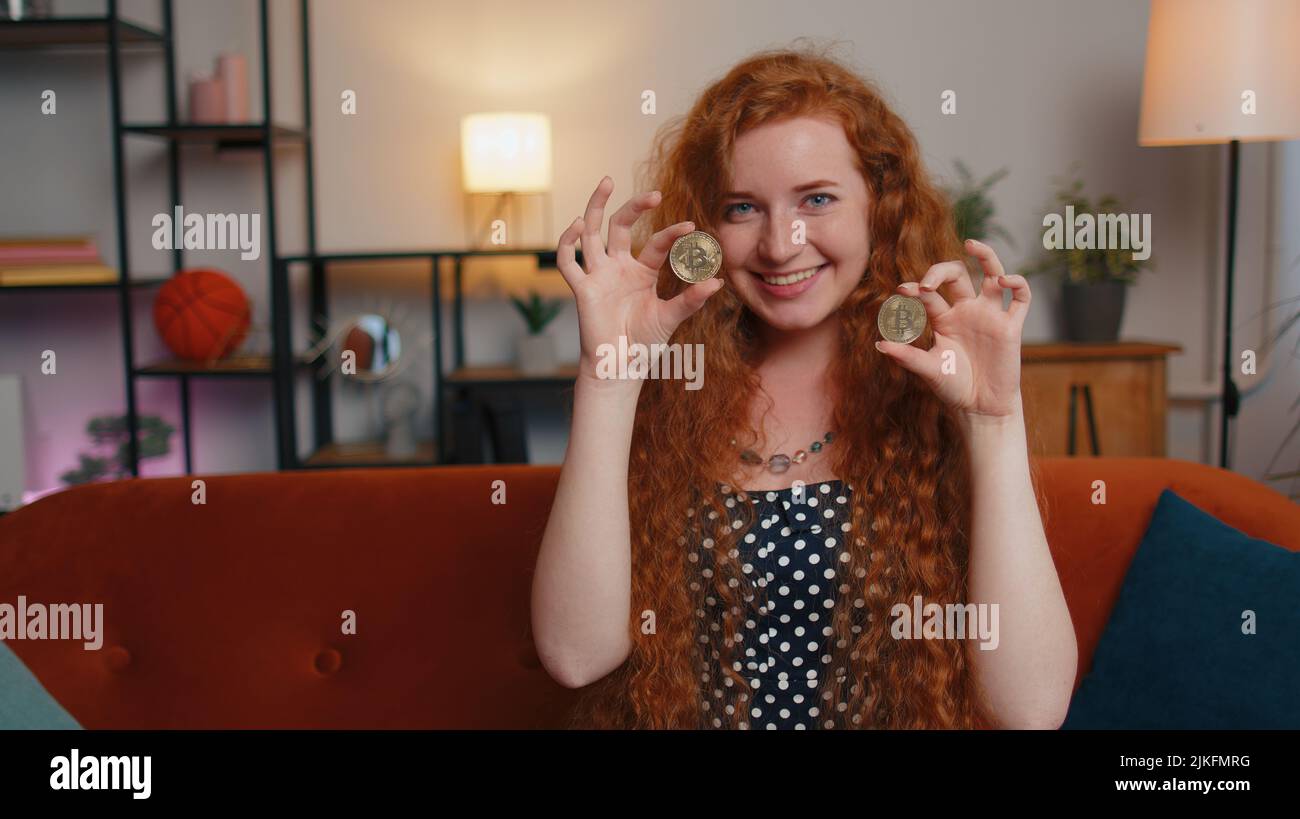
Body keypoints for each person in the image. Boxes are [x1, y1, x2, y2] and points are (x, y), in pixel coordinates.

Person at [530, 43, 1077, 729]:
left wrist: (994, 424)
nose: (781, 244)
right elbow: (576, 655)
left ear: (878, 206)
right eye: (742, 209)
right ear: (707, 227)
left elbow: (1031, 708)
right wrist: (608, 377)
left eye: (816, 199)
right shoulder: (667, 385)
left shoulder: (937, 388)